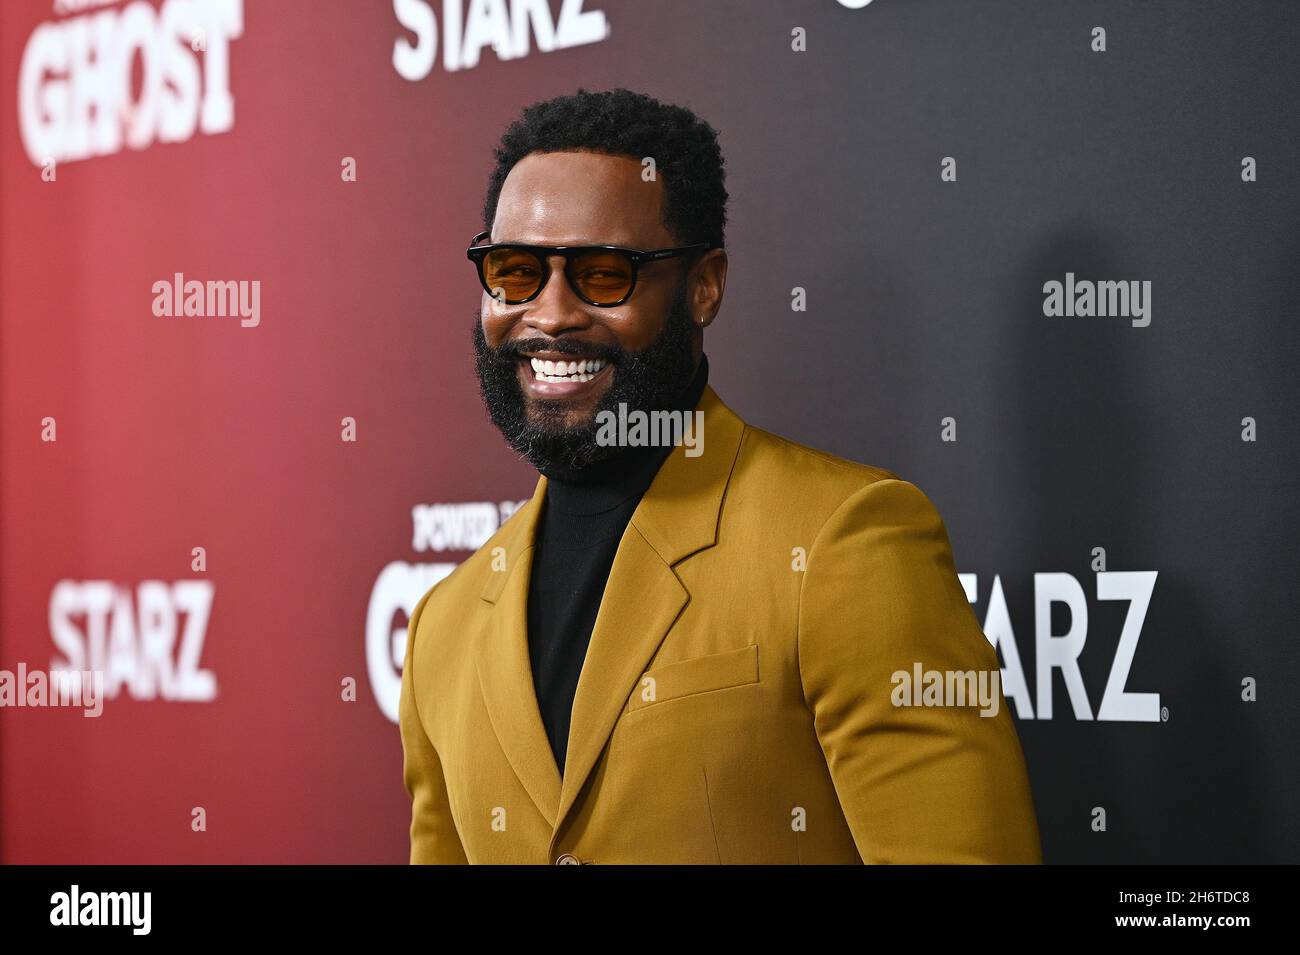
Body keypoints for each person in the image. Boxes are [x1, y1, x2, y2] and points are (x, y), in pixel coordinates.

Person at [400, 87, 1042, 864]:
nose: (550, 313)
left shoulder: (846, 544)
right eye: (516, 270)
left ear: (704, 285)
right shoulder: (444, 624)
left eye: (605, 273)